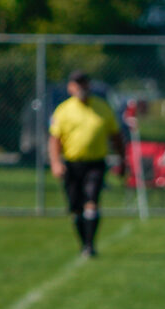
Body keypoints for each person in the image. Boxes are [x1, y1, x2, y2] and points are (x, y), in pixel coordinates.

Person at [48, 70, 125, 258]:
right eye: (77, 84)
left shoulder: (102, 107)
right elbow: (55, 139)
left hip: (95, 163)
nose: (81, 88)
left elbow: (116, 136)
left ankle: (90, 246)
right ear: (70, 87)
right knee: (75, 207)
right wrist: (56, 163)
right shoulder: (64, 110)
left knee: (91, 201)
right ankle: (84, 243)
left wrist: (122, 159)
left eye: (84, 83)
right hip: (72, 164)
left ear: (89, 86)